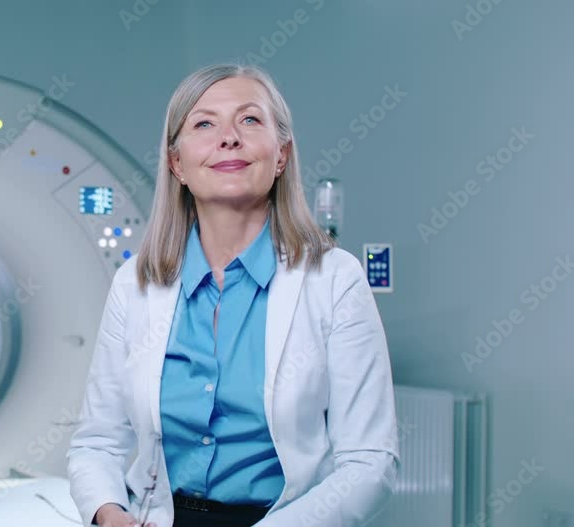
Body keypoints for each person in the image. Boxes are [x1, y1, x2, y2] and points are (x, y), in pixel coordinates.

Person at [66, 63, 400, 527]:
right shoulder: (136, 284)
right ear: (177, 163)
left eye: (249, 120)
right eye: (204, 123)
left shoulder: (334, 280)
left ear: (281, 155)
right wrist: (108, 513)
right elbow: (97, 442)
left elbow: (370, 463)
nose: (229, 137)